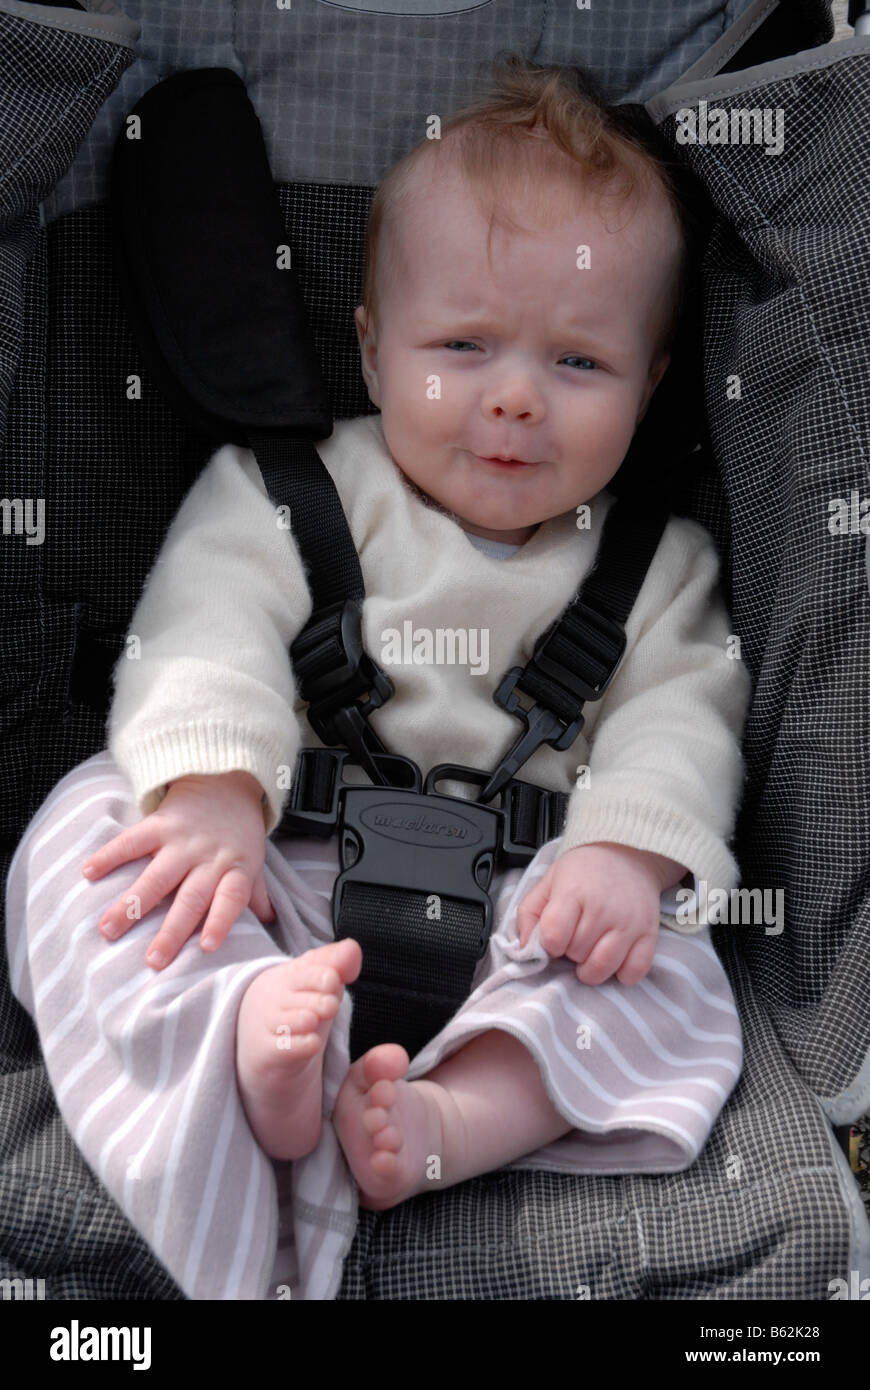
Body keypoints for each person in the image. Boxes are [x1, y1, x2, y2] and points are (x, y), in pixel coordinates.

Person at [5, 56, 751, 1299]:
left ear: (654, 381)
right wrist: (211, 794)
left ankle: (451, 1119)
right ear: (369, 344)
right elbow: (208, 625)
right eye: (462, 346)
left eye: (579, 364)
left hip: (531, 915)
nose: (514, 399)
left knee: (674, 964)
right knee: (84, 834)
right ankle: (244, 1038)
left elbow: (684, 721)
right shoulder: (290, 492)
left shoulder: (657, 564)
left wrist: (628, 856)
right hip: (272, 883)